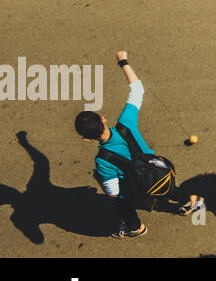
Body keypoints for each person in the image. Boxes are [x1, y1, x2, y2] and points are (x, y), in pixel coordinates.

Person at [74, 51, 201, 240]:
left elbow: (113, 192)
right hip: (157, 167)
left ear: (87, 139)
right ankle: (188, 201)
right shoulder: (126, 122)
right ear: (103, 118)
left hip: (138, 185)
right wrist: (123, 61)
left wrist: (99, 179)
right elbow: (137, 89)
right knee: (161, 183)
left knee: (120, 202)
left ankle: (135, 227)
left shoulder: (102, 161)